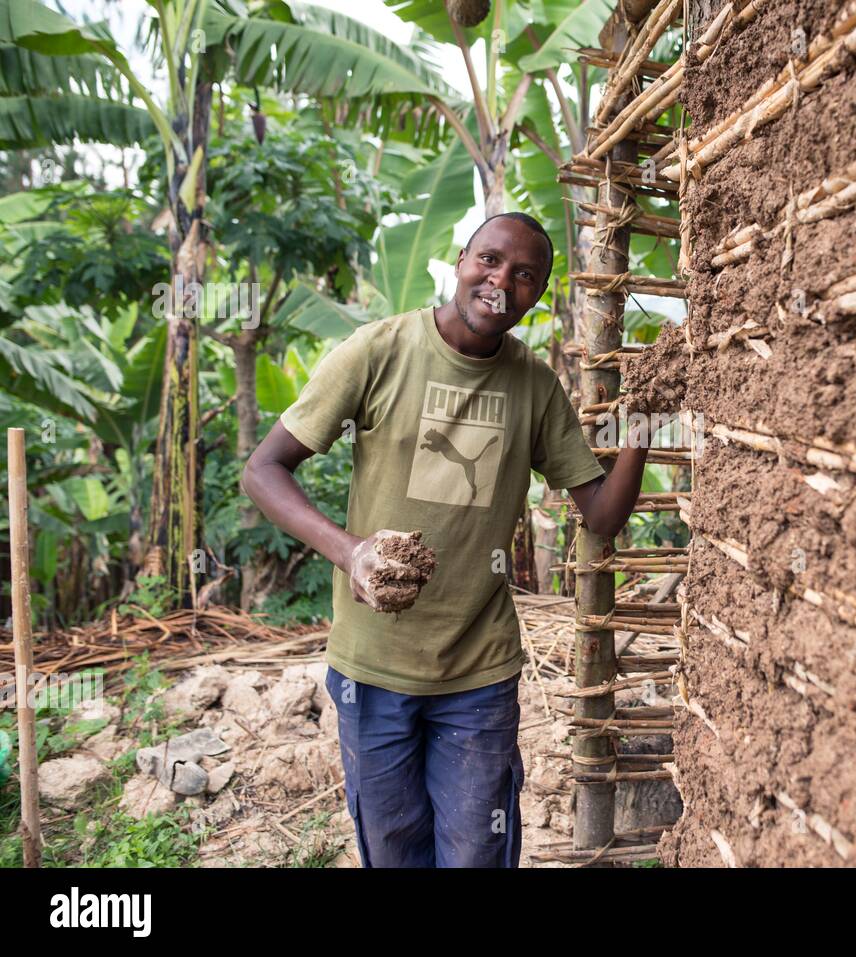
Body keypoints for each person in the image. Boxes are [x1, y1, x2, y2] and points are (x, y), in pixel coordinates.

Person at [241, 212, 653, 867]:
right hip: (371, 667)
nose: (502, 282)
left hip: (477, 675)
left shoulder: (535, 388)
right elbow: (263, 470)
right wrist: (352, 552)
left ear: (541, 294)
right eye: (489, 260)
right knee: (395, 848)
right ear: (460, 259)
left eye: (525, 275)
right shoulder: (379, 350)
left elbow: (600, 514)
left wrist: (644, 428)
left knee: (476, 850)